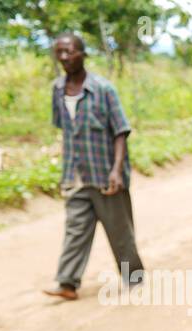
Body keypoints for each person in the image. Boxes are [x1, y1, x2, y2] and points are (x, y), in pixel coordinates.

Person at [42, 33, 144, 301]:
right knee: (75, 229)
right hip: (76, 175)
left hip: (105, 174)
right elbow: (65, 130)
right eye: (59, 52)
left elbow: (120, 131)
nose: (64, 57)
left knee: (119, 230)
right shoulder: (57, 89)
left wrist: (116, 170)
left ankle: (134, 277)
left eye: (70, 51)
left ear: (83, 54)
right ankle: (67, 282)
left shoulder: (103, 89)